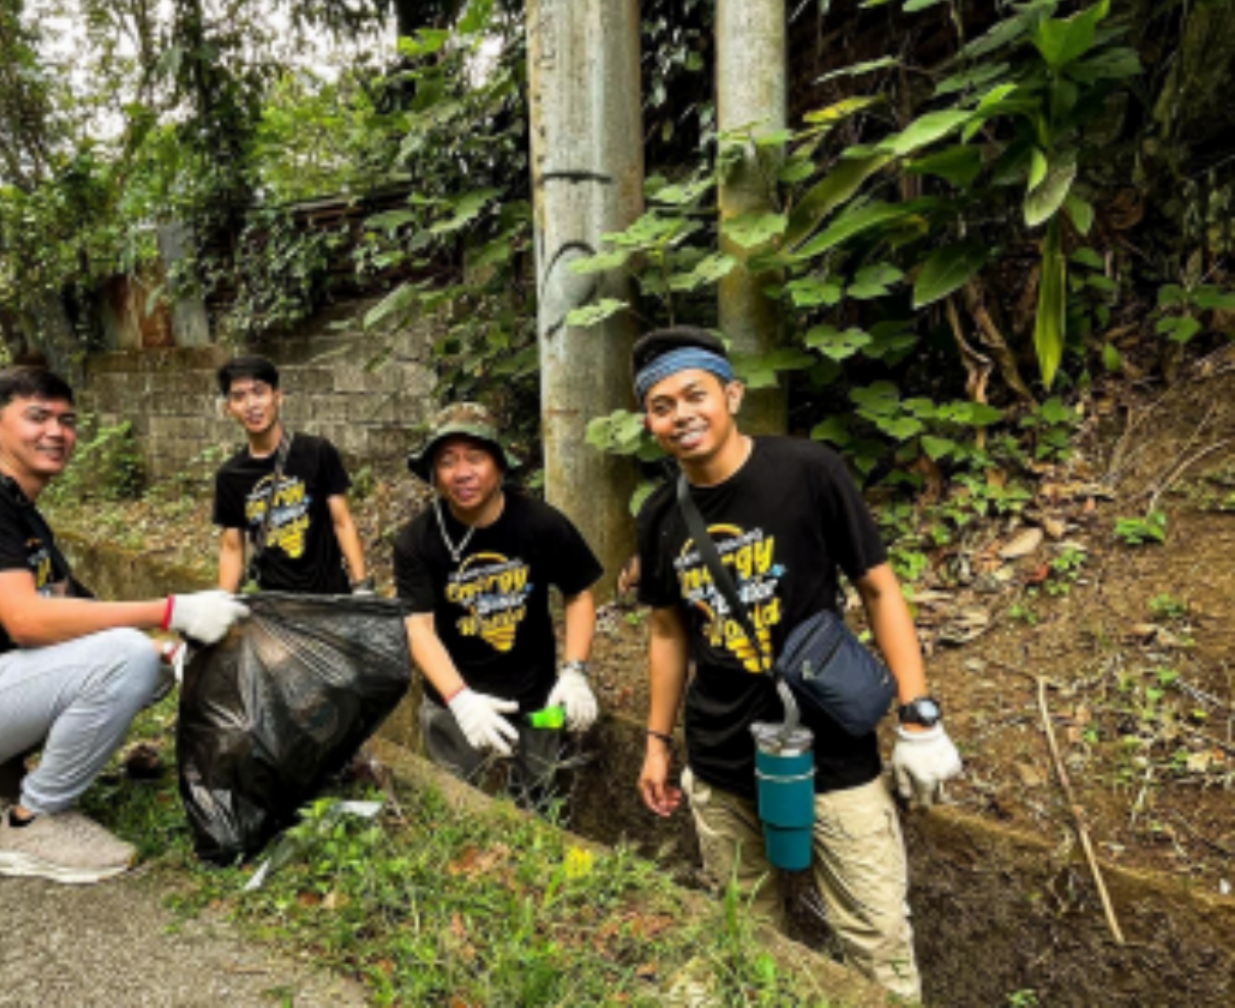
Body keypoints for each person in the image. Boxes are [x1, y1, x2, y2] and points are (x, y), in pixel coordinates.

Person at [631, 327, 962, 1002]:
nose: (681, 415)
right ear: (649, 422)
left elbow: (878, 586)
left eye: (695, 395)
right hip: (722, 750)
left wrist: (919, 718)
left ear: (731, 395)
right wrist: (656, 742)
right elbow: (667, 631)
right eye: (662, 406)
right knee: (748, 933)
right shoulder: (662, 513)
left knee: (875, 938)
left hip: (829, 745)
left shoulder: (809, 471)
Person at [0, 366, 248, 885]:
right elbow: (28, 621)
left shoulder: (21, 514)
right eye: (37, 416)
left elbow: (76, 612)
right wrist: (172, 610)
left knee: (152, 664)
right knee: (127, 659)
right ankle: (31, 823)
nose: (57, 432)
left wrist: (172, 647)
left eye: (67, 421)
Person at [392, 402, 603, 810]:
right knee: (457, 804)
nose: (462, 472)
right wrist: (459, 698)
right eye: (447, 461)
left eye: (475, 457)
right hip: (454, 702)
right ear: (434, 474)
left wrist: (576, 671)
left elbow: (579, 593)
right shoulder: (417, 541)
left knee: (545, 803)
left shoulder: (541, 524)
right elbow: (418, 627)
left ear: (500, 466)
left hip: (539, 700)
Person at [212, 355, 370, 594]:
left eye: (259, 392)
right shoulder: (230, 475)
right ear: (228, 408)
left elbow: (342, 521)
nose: (251, 404)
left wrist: (361, 586)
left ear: (278, 397)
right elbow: (232, 548)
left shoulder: (317, 452)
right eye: (239, 397)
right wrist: (222, 604)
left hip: (331, 596)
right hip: (275, 604)